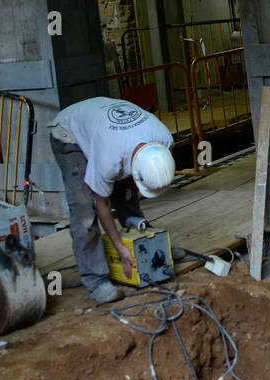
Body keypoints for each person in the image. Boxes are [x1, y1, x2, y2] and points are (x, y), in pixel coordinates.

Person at [48, 96, 176, 304]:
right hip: (68, 134)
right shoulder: (109, 160)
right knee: (85, 213)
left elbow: (135, 179)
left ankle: (149, 245)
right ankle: (95, 280)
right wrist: (119, 248)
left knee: (125, 194)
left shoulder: (164, 139)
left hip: (104, 127)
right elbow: (102, 205)